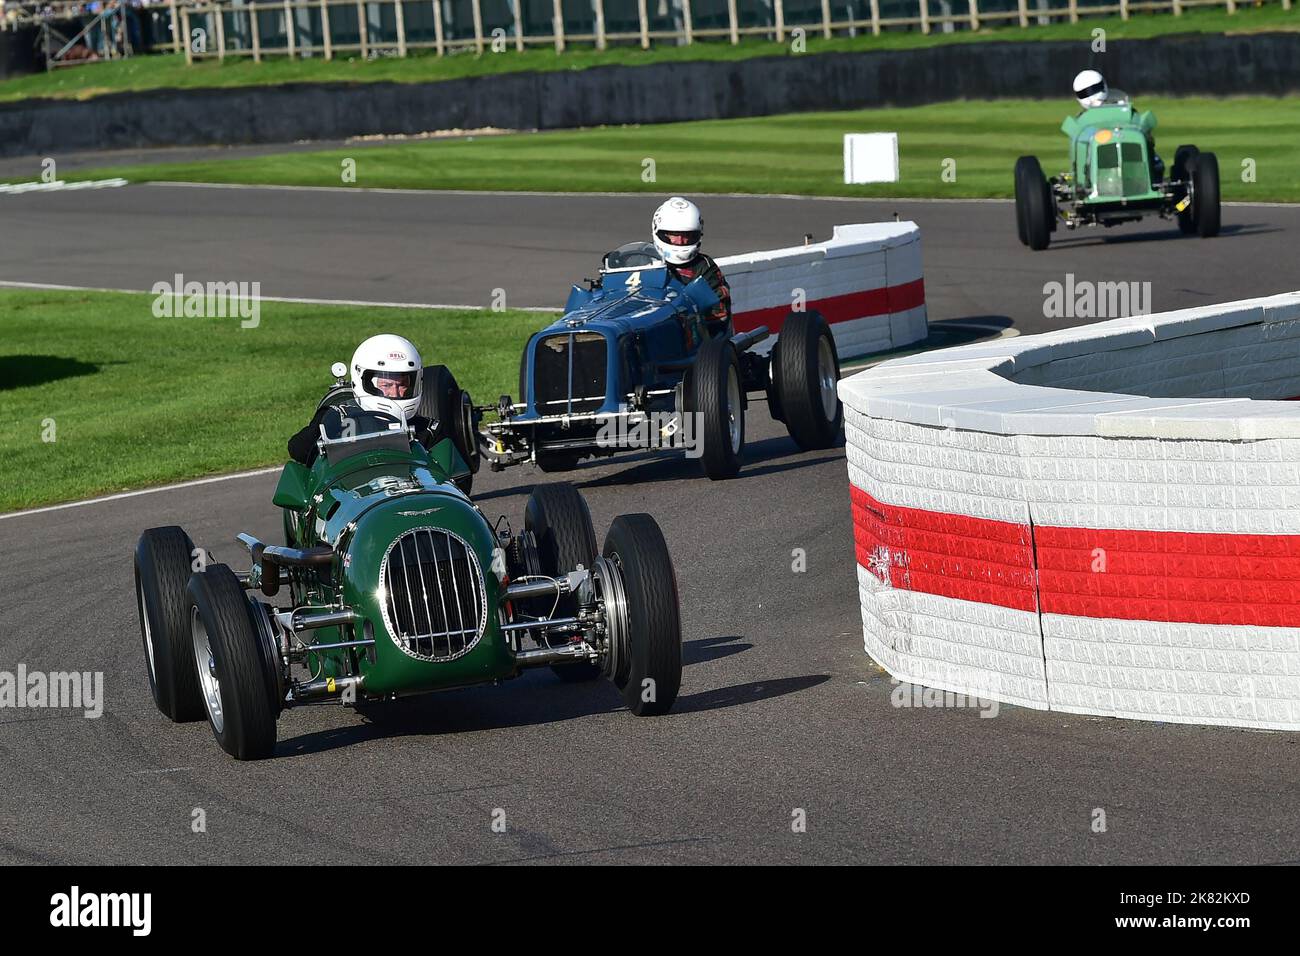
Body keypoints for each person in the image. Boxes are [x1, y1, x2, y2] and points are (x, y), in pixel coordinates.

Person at [287, 333, 437, 466]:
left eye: (403, 385)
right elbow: (298, 449)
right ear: (362, 380)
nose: (395, 392)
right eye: (386, 384)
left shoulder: (427, 430)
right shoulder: (340, 417)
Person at [651, 196, 732, 338]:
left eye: (687, 235)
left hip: (695, 341)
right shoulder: (647, 260)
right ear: (660, 232)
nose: (680, 241)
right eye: (674, 234)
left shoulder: (704, 267)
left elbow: (719, 315)